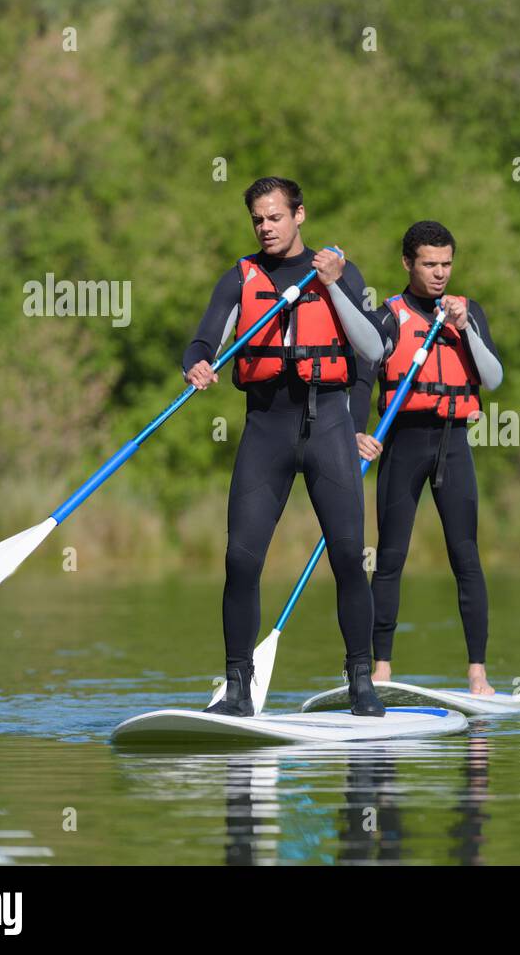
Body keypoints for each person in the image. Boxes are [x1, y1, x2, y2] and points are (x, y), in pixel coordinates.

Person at [182, 176, 391, 717]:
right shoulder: (241, 277)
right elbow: (205, 338)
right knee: (240, 561)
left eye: (275, 217)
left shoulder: (338, 273)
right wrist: (197, 363)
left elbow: (372, 347)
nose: (266, 227)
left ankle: (361, 684)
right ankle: (236, 690)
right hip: (265, 430)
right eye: (258, 219)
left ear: (300, 215)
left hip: (330, 431)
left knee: (349, 558)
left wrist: (338, 287)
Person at [349, 221, 504, 695]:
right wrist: (358, 432)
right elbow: (360, 379)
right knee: (390, 557)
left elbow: (493, 378)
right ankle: (380, 669)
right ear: (408, 264)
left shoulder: (468, 312)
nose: (440, 274)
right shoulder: (387, 318)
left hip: (454, 443)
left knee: (466, 558)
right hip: (403, 443)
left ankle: (477, 672)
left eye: (446, 264)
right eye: (430, 264)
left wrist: (465, 331)